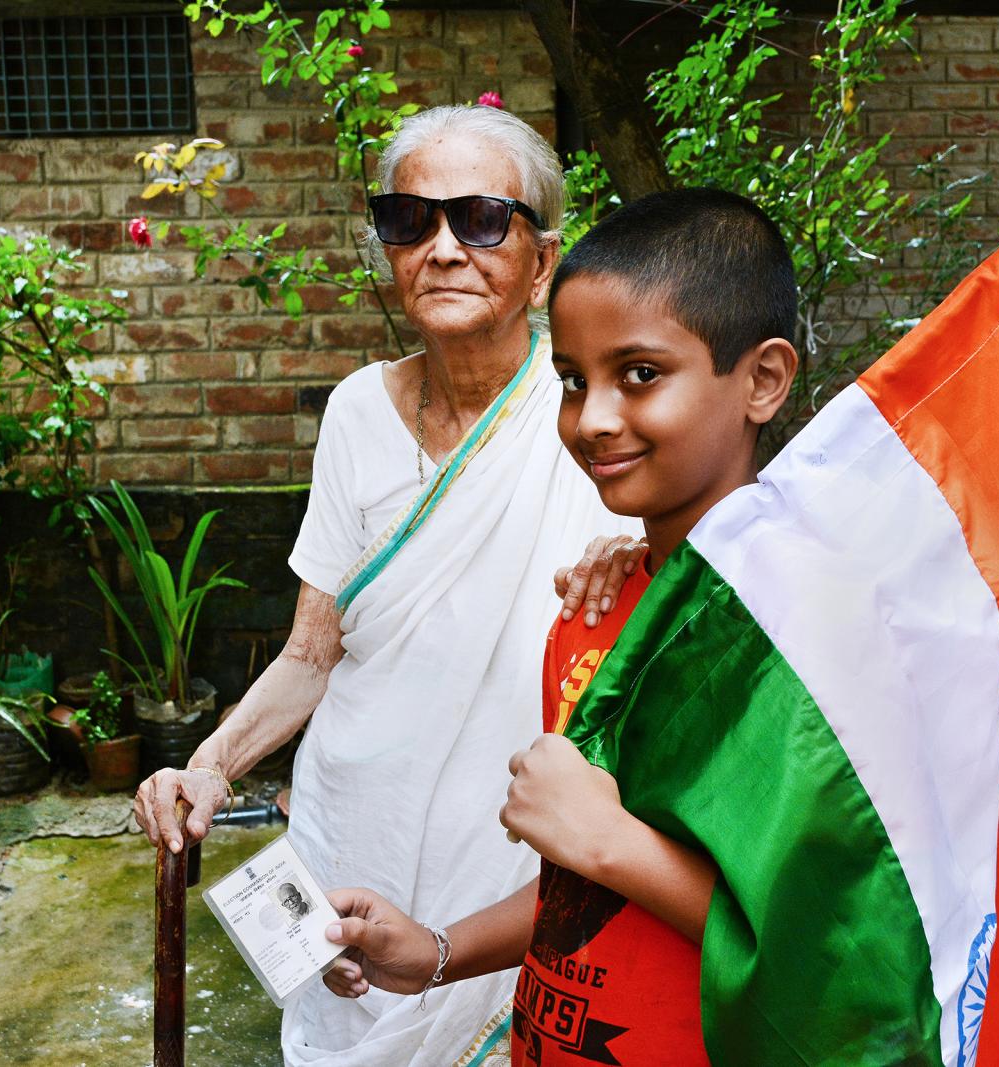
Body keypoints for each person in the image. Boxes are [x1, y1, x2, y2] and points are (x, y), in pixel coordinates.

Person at [129, 104, 644, 1067]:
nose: (443, 248)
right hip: (352, 816)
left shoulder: (590, 417)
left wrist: (638, 558)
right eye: (411, 221)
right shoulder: (360, 410)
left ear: (543, 261)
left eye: (483, 219)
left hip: (500, 847)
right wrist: (213, 763)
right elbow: (310, 653)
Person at [317, 189, 800, 1065]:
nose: (595, 418)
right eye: (575, 381)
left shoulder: (800, 633)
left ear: (762, 380)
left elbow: (830, 936)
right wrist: (433, 950)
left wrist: (610, 840)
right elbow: (583, 891)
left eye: (640, 375)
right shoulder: (591, 609)